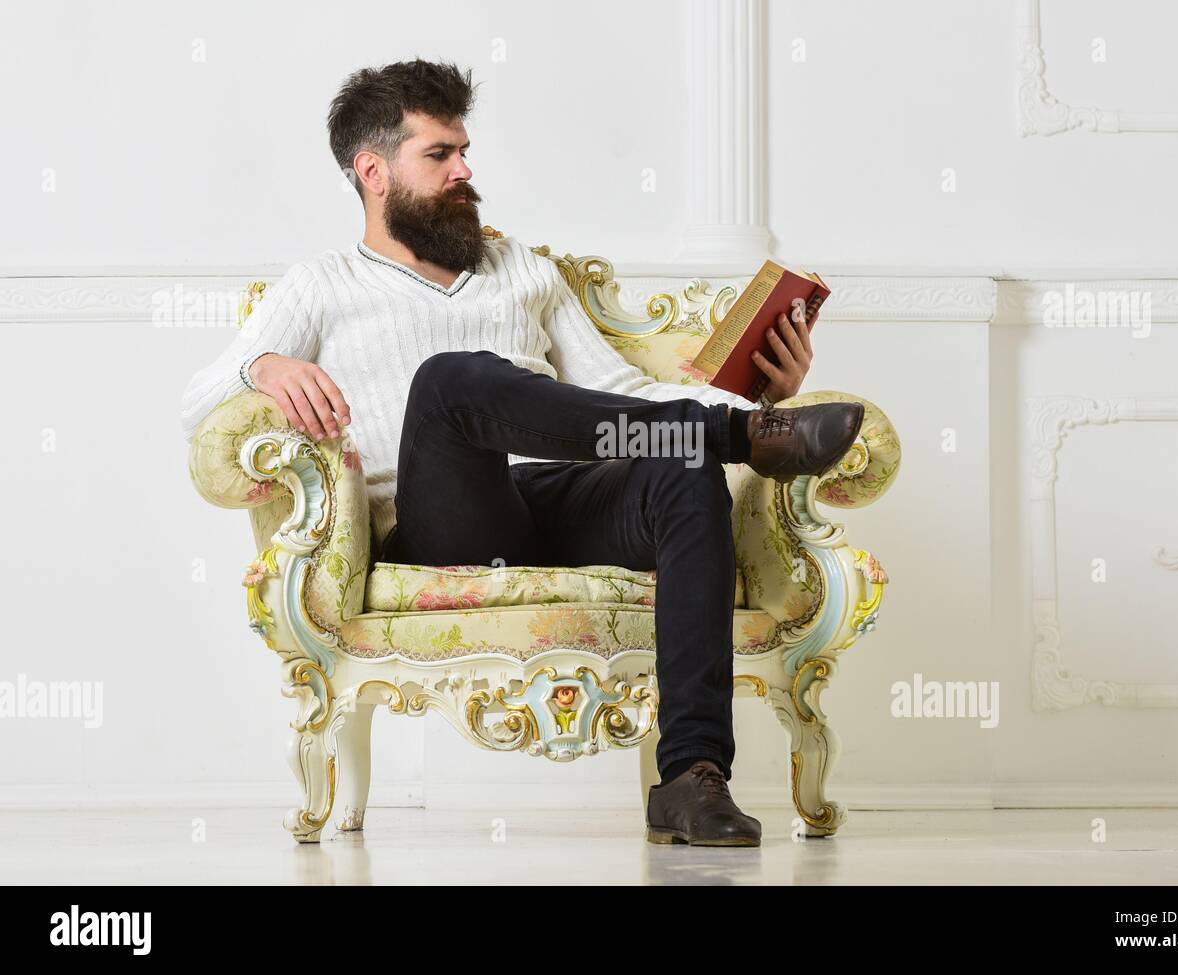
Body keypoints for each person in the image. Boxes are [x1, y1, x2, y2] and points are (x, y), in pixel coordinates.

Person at [180, 59, 863, 848]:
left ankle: (689, 775)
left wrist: (760, 400)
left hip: (564, 491)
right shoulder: (321, 284)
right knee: (450, 382)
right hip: (443, 515)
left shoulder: (525, 274)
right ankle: (734, 439)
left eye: (465, 150)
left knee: (680, 461)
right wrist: (263, 365)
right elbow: (196, 400)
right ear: (373, 172)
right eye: (439, 155)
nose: (465, 170)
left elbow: (623, 395)